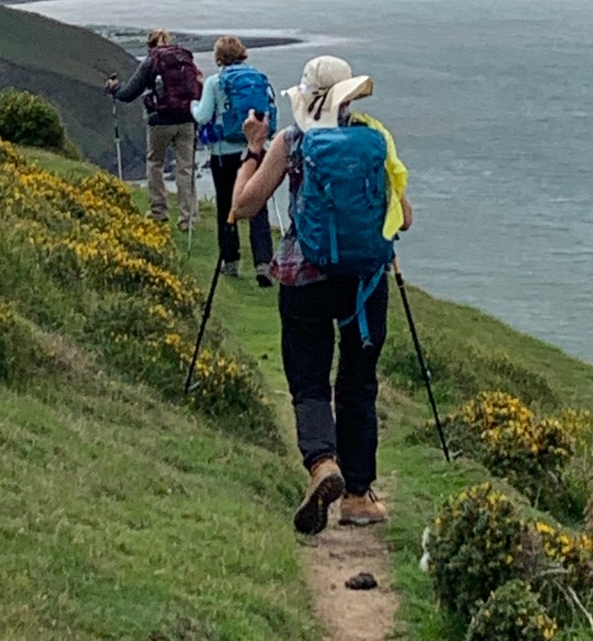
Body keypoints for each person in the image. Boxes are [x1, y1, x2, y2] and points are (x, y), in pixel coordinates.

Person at [230, 55, 412, 534]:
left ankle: (322, 464)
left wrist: (252, 150)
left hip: (303, 278)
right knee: (358, 383)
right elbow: (405, 216)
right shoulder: (374, 142)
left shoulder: (291, 142)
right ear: (348, 97)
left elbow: (243, 207)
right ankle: (357, 496)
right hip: (364, 283)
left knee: (309, 380)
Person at [190, 35, 275, 285]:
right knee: (258, 205)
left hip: (223, 153)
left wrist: (193, 106)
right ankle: (263, 263)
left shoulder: (215, 82)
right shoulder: (258, 78)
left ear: (219, 57)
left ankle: (231, 261)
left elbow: (204, 116)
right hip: (254, 148)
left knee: (227, 205)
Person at [105, 29, 200, 230]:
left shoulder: (152, 61)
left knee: (155, 162)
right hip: (187, 119)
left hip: (160, 121)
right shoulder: (185, 58)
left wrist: (115, 89)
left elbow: (129, 93)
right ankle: (187, 218)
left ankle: (159, 212)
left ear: (150, 45)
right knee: (186, 168)